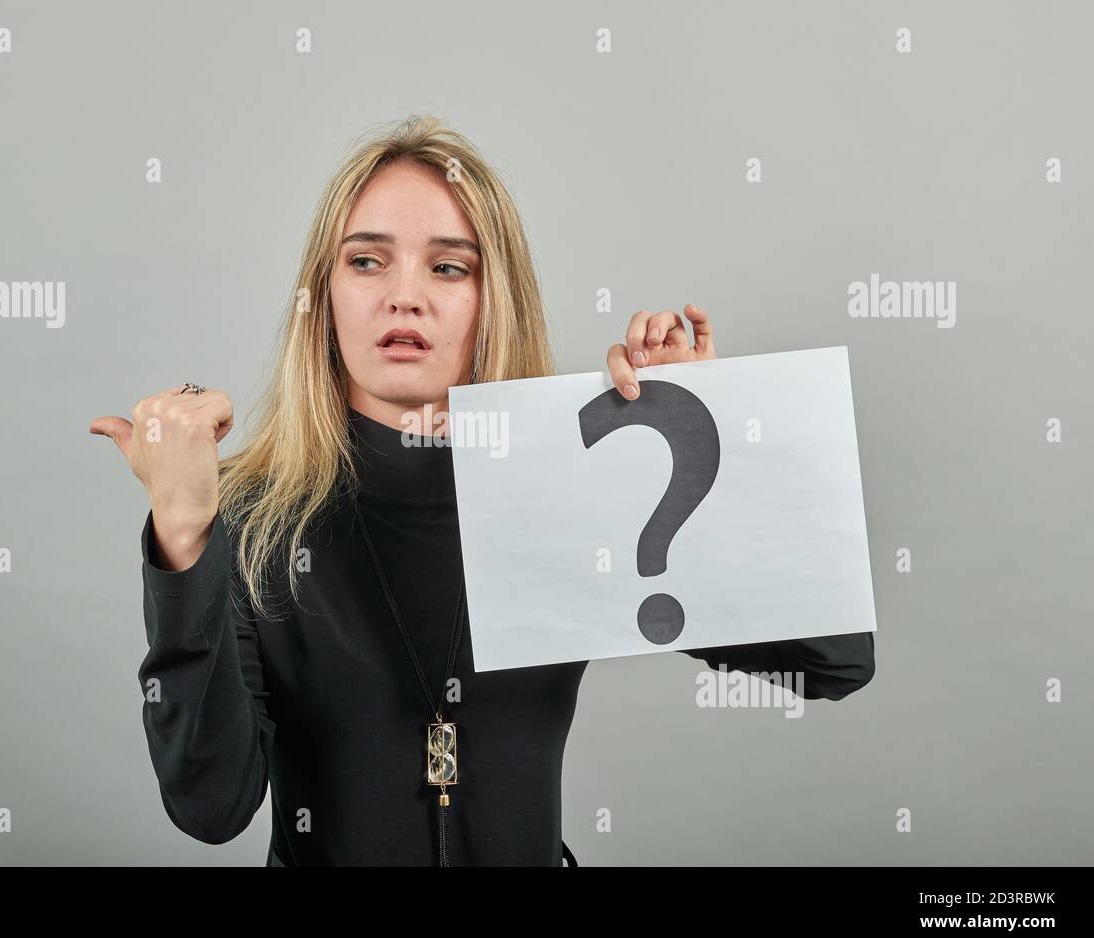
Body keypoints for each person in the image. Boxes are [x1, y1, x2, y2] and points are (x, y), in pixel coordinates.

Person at [89, 114, 875, 866]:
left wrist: (711, 451)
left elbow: (833, 661)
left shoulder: (572, 491)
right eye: (366, 261)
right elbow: (209, 804)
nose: (405, 296)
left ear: (491, 296)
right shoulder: (254, 518)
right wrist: (186, 534)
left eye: (447, 266)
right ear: (321, 301)